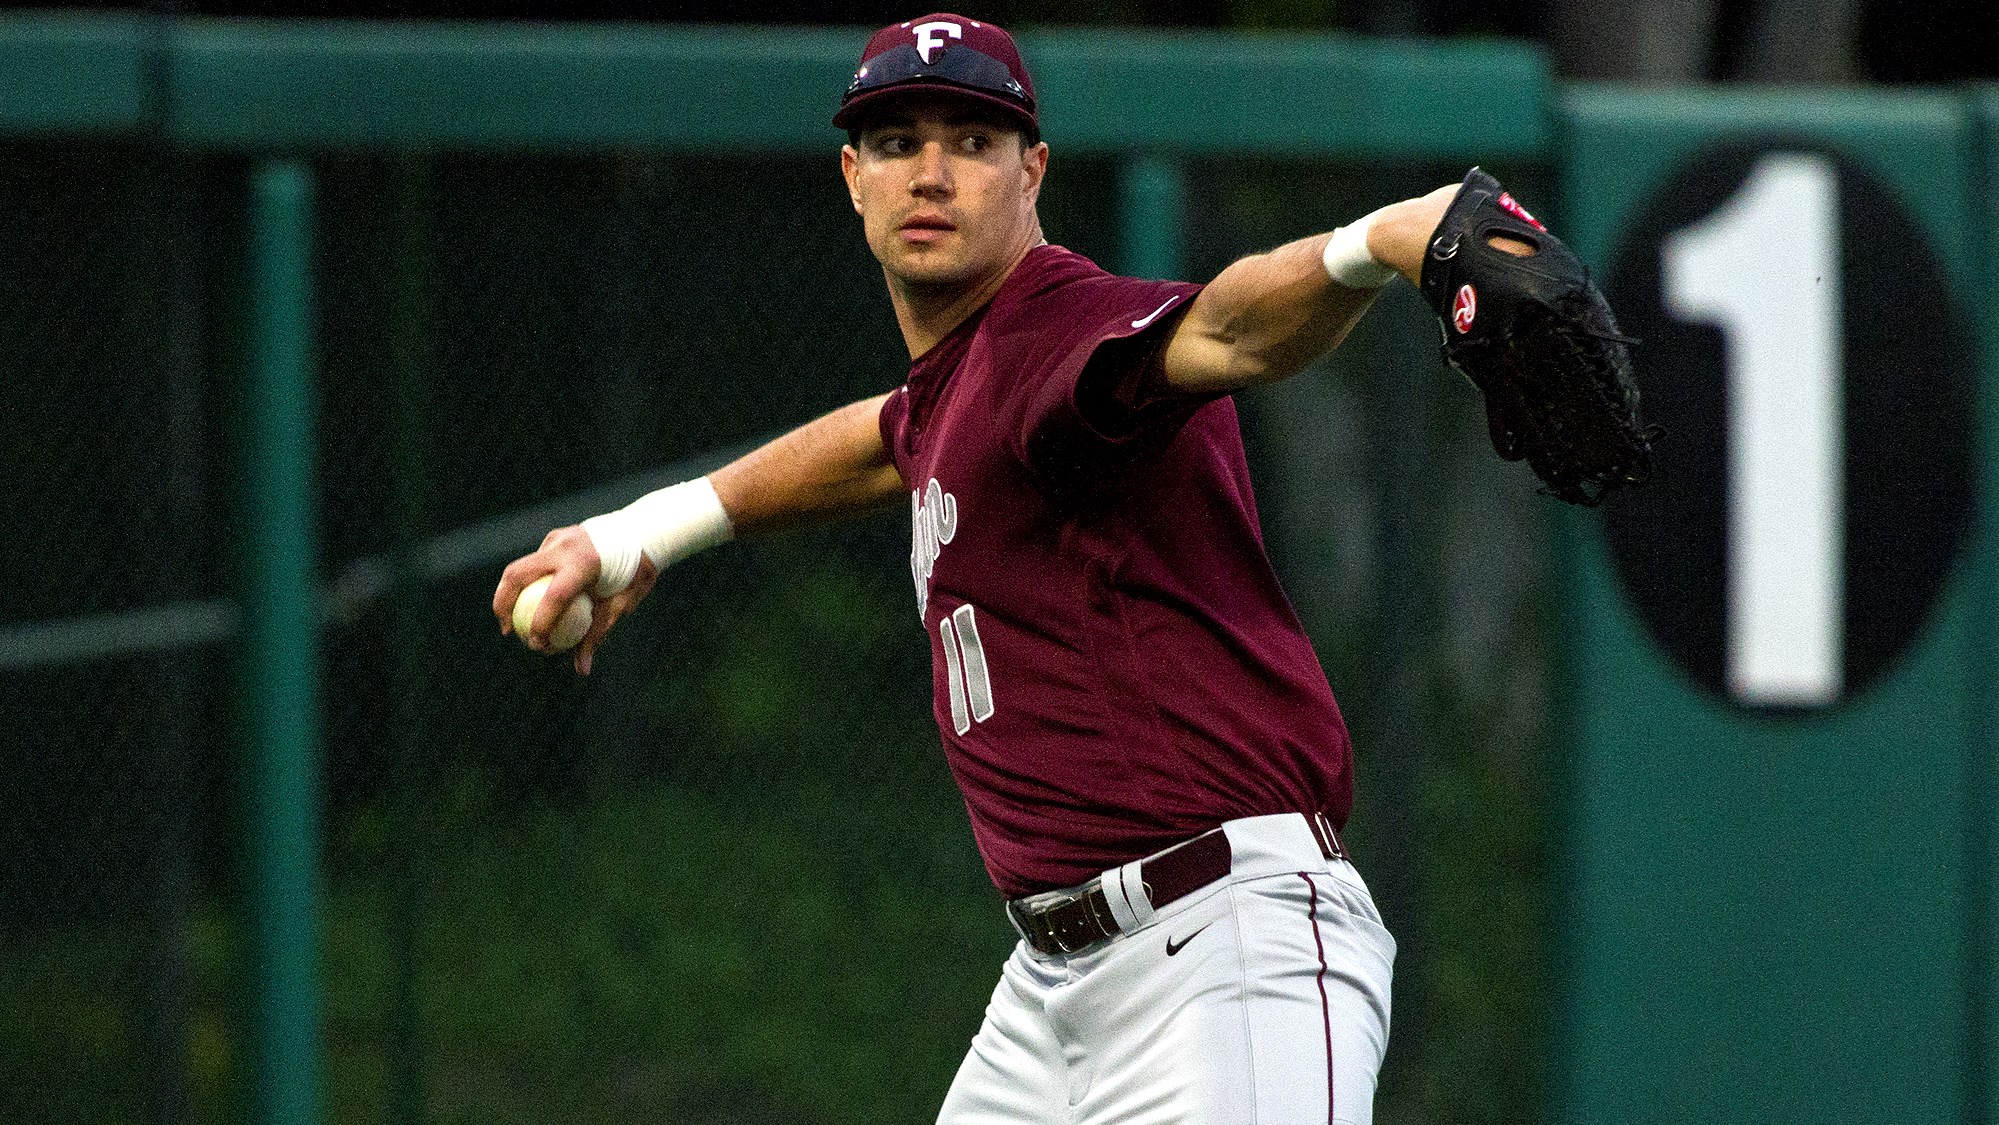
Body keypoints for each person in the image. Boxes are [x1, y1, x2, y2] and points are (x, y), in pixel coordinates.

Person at [494, 14, 1464, 1124]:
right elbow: (876, 438)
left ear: (1031, 170)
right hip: (1054, 989)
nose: (933, 172)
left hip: (1222, 956)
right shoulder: (959, 383)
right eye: (899, 142)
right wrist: (635, 538)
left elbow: (1230, 334)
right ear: (853, 179)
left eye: (972, 139)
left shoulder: (1059, 335)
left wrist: (1376, 243)